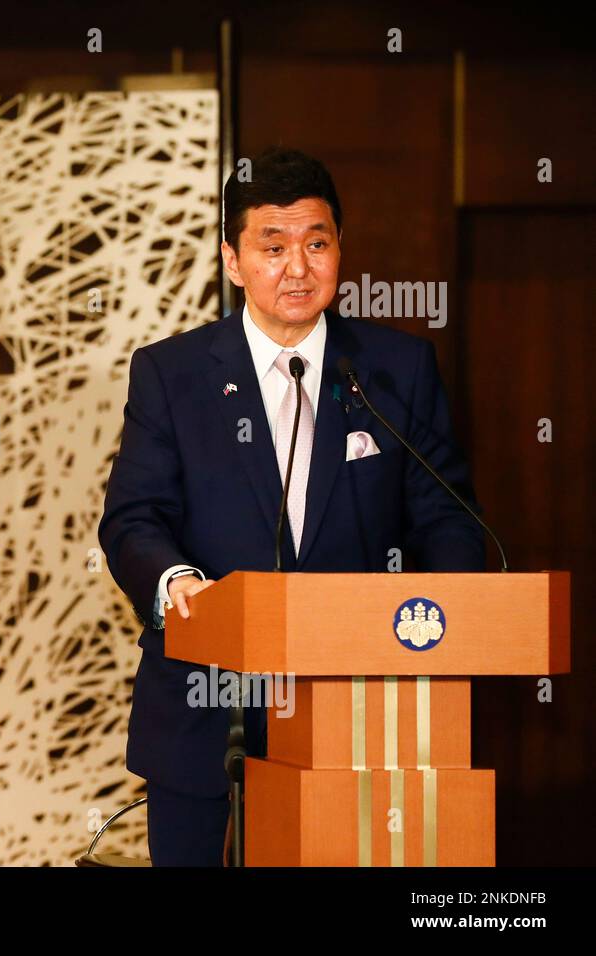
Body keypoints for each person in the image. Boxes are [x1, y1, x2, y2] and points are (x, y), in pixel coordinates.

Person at [98, 148, 485, 865]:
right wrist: (175, 580)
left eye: (316, 243)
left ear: (340, 247)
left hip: (360, 715)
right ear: (233, 260)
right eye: (272, 248)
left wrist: (445, 625)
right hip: (204, 717)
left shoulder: (398, 370)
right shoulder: (171, 373)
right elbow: (133, 517)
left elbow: (448, 518)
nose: (297, 268)